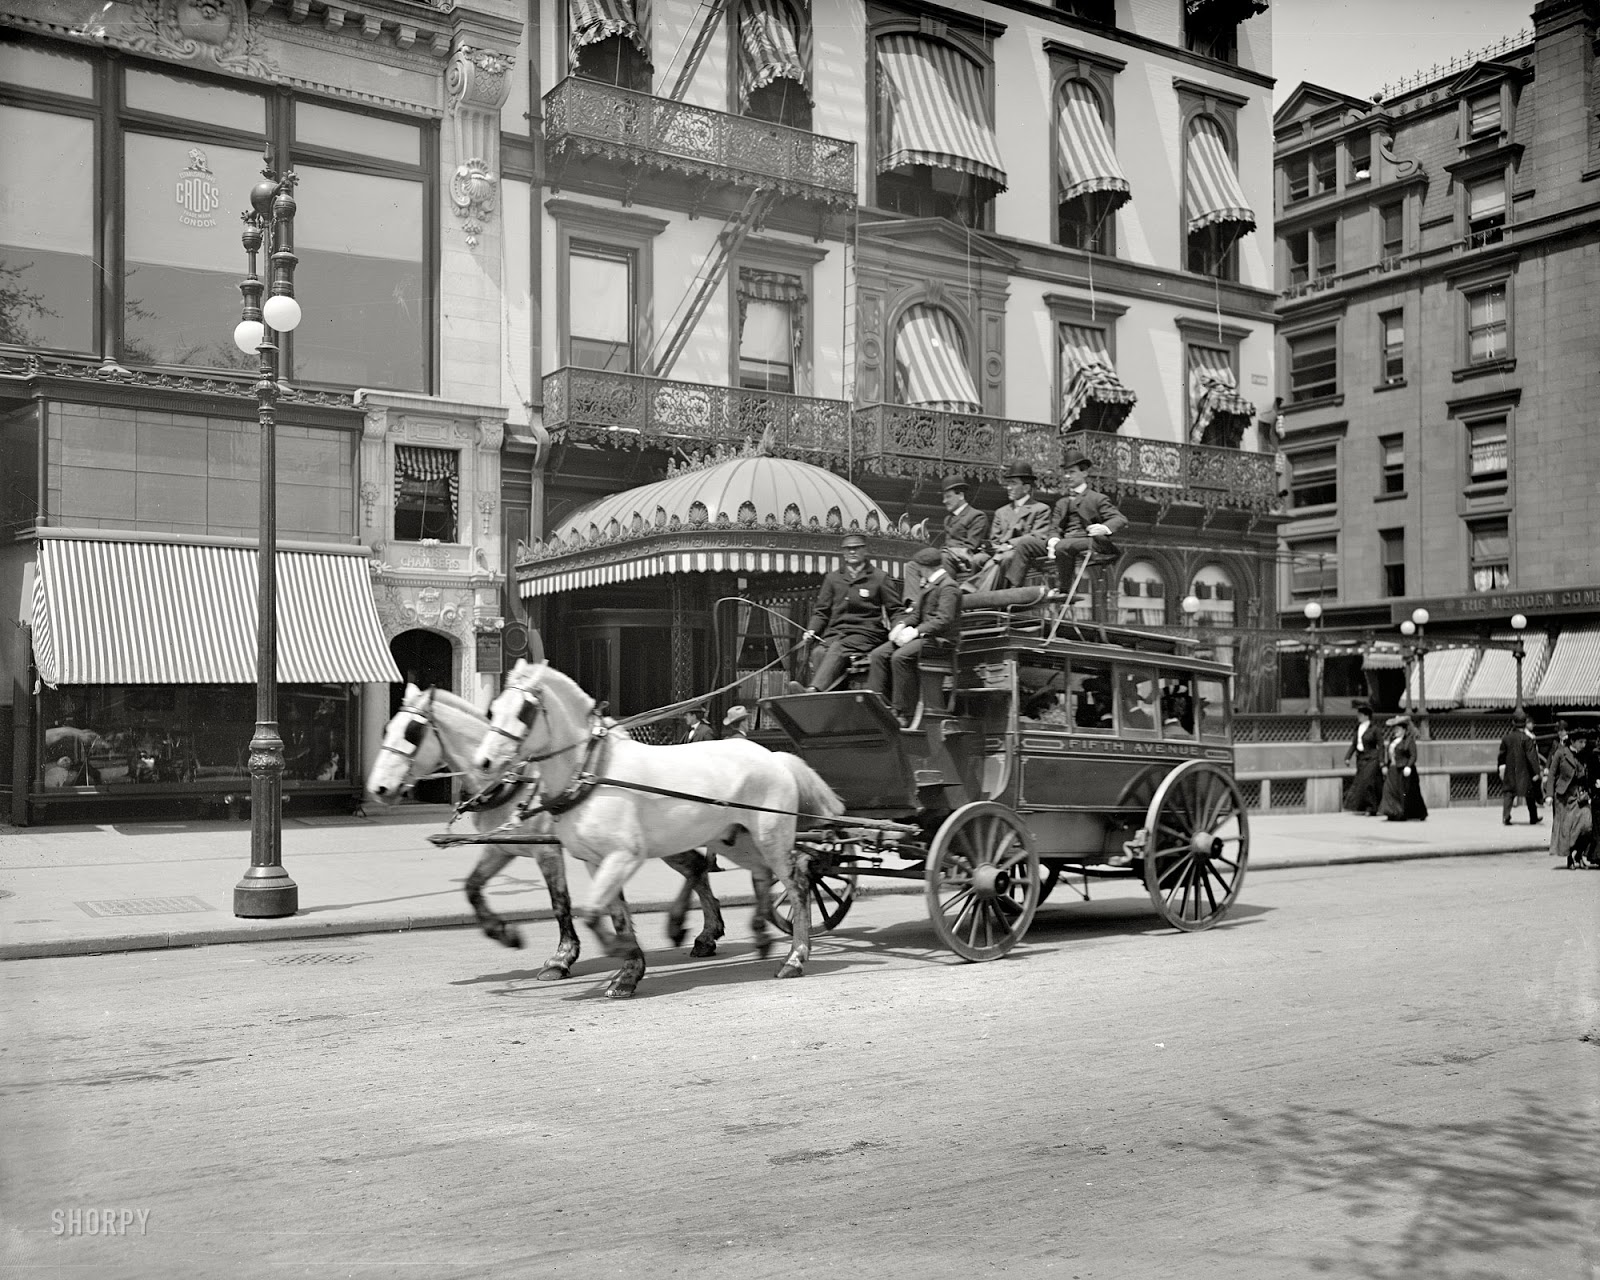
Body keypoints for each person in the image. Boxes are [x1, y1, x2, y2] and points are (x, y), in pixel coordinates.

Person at [797, 532, 901, 692]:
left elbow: (895, 610)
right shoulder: (833, 578)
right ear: (843, 552)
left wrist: (899, 629)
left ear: (865, 550)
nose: (852, 552)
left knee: (838, 648)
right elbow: (821, 611)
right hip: (836, 634)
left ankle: (814, 690)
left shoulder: (879, 578)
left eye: (856, 548)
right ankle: (833, 698)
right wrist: (812, 630)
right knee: (818, 652)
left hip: (866, 634)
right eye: (848, 549)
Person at [869, 546, 960, 728]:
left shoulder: (949, 587)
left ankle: (902, 712)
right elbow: (917, 614)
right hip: (925, 638)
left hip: (941, 642)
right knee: (878, 654)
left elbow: (944, 620)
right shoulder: (930, 585)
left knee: (900, 657)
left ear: (926, 568)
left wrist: (916, 632)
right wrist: (902, 625)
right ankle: (875, 706)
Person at [1048, 448, 1126, 597]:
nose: (1067, 476)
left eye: (1072, 472)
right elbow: (1054, 528)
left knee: (1063, 546)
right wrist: (1053, 540)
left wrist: (1104, 528)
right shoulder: (1061, 503)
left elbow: (1120, 519)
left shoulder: (1096, 498)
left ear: (1084, 473)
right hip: (1065, 541)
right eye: (1066, 472)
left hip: (1089, 541)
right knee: (1029, 544)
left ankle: (1064, 590)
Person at [989, 462, 1056, 589]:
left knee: (1006, 559)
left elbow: (1038, 536)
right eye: (1008, 483)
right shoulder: (1001, 512)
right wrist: (999, 548)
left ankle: (1000, 595)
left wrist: (1010, 544)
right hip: (999, 552)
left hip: (1021, 556)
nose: (1009, 487)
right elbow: (994, 539)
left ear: (1026, 488)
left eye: (1013, 483)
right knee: (978, 559)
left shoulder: (1040, 509)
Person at [1547, 724, 1594, 869]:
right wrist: (1549, 795)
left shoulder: (1584, 755)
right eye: (1581, 742)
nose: (1583, 745)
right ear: (1573, 741)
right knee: (1567, 829)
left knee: (1587, 826)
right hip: (1564, 797)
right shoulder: (1561, 753)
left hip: (1580, 796)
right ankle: (1570, 858)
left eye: (1585, 742)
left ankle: (1579, 853)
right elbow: (1551, 775)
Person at [937, 475, 991, 584]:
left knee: (943, 557)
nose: (944, 501)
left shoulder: (977, 516)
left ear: (961, 495)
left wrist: (947, 551)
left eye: (948, 497)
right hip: (949, 557)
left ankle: (949, 591)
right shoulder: (948, 519)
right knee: (917, 563)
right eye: (944, 497)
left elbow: (971, 546)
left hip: (967, 559)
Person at [1497, 708, 1544, 826]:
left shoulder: (1506, 738)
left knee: (1509, 794)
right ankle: (1533, 817)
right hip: (1525, 772)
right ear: (1524, 723)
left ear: (1513, 722)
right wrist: (1537, 772)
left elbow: (1501, 756)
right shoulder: (1527, 739)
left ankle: (1506, 816)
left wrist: (1501, 768)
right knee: (1530, 794)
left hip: (1510, 771)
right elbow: (1532, 757)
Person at [1378, 714, 1428, 821]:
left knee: (1404, 793)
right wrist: (1386, 765)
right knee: (1388, 791)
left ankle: (1403, 813)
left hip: (1403, 770)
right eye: (1395, 729)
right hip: (1392, 770)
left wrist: (1408, 766)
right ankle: (1391, 812)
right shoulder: (1392, 740)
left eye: (1398, 729)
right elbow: (1390, 755)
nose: (1395, 731)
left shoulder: (1409, 741)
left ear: (1404, 730)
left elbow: (1413, 755)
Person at [1343, 702, 1383, 815]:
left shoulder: (1374, 729)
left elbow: (1381, 745)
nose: (1358, 717)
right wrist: (1347, 757)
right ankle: (1364, 806)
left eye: (1360, 715)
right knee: (1360, 783)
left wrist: (1381, 760)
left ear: (1366, 716)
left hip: (1372, 758)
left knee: (1368, 782)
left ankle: (1372, 808)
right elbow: (1354, 744)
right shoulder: (1358, 728)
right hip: (1361, 758)